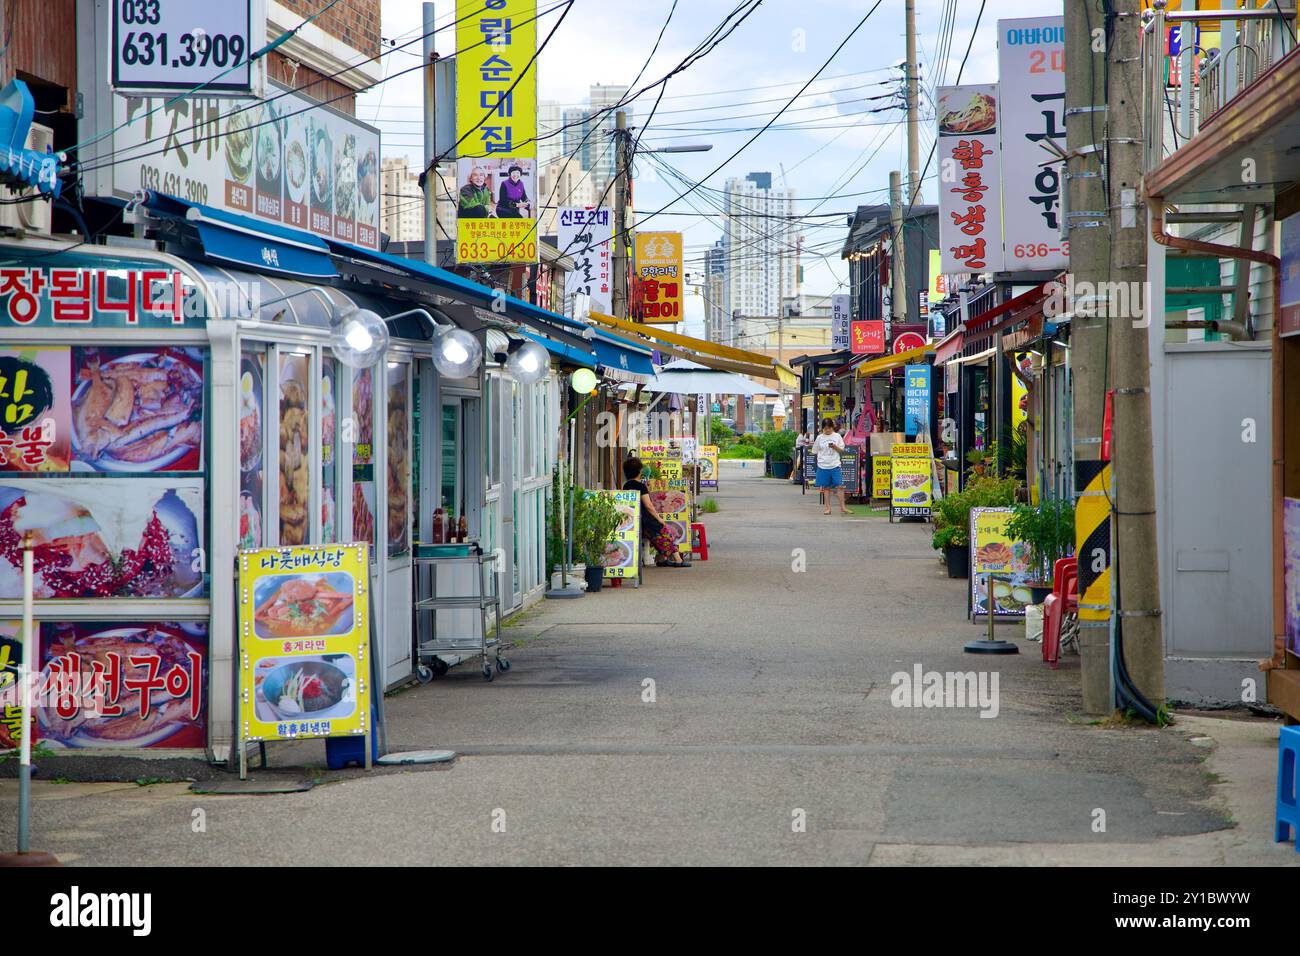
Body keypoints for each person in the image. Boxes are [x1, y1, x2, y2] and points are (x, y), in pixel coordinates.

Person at [622, 457, 686, 567]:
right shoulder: (640, 486)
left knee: (656, 535)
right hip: (646, 520)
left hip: (634, 520)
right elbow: (649, 505)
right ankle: (678, 560)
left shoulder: (626, 485)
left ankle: (661, 559)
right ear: (639, 471)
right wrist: (659, 518)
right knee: (664, 531)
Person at [812, 417, 851, 515]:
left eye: (829, 428)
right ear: (823, 428)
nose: (827, 430)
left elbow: (842, 450)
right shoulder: (820, 438)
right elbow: (814, 451)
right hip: (823, 466)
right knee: (826, 488)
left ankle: (843, 507)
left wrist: (834, 446)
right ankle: (828, 508)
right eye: (825, 428)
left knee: (840, 486)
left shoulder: (837, 436)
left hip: (835, 465)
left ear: (832, 427)